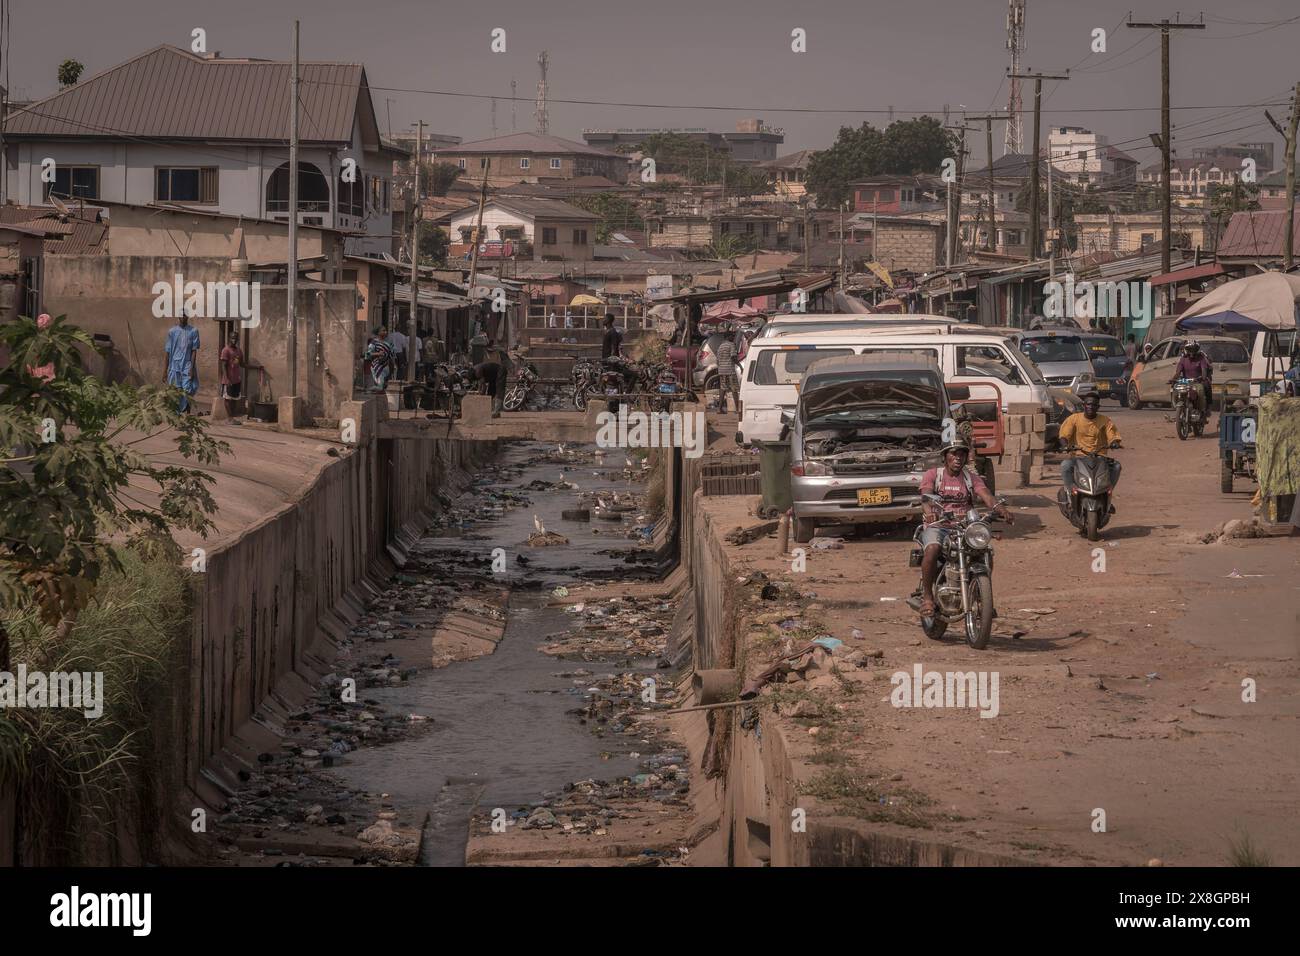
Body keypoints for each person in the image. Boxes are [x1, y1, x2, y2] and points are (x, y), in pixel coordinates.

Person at [916, 442, 1011, 617]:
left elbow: (986, 495)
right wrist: (930, 513)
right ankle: (928, 597)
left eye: (962, 454)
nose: (958, 458)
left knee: (985, 551)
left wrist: (1001, 509)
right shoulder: (933, 475)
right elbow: (926, 498)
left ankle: (983, 598)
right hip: (939, 525)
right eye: (953, 454)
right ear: (945, 457)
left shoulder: (970, 477)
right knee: (932, 549)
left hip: (965, 526)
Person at [1058, 391, 1123, 507]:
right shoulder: (1074, 419)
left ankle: (1108, 493)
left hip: (1100, 458)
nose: (1091, 407)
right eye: (1088, 404)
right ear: (1084, 405)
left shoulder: (1105, 420)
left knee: (1117, 466)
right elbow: (1064, 435)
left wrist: (1114, 443)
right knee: (1065, 465)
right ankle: (1070, 491)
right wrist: (1064, 445)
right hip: (1079, 457)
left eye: (1094, 405)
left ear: (1098, 407)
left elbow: (1113, 435)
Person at [164, 311, 201, 413]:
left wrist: (192, 368)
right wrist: (165, 371)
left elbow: (194, 350)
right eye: (181, 315)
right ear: (178, 317)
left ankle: (187, 413)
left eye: (185, 315)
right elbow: (167, 351)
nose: (183, 317)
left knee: (188, 390)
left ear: (187, 316)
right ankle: (176, 414)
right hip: (174, 365)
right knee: (176, 390)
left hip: (187, 365)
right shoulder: (172, 331)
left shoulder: (193, 331)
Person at [1170, 339, 1213, 412]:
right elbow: (1178, 373)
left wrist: (1202, 377)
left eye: (1194, 350)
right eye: (1190, 350)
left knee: (1202, 390)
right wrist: (1173, 379)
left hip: (1198, 382)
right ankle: (1175, 406)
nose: (1192, 352)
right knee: (1175, 388)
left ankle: (1203, 409)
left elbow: (1204, 371)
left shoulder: (1201, 358)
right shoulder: (1183, 359)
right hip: (1185, 382)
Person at [219, 331, 244, 421]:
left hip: (236, 379)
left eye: (236, 338)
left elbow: (242, 364)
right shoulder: (226, 350)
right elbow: (223, 366)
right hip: (228, 380)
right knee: (227, 398)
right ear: (229, 338)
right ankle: (229, 418)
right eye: (232, 338)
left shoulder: (238, 350)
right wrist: (227, 378)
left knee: (235, 398)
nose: (234, 340)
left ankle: (232, 416)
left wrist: (255, 367)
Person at [364, 327, 395, 392]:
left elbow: (391, 358)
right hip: (376, 367)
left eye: (386, 330)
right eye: (383, 331)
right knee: (380, 387)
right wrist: (378, 354)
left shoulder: (389, 344)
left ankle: (370, 390)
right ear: (378, 333)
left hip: (385, 367)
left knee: (382, 388)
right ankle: (367, 390)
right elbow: (367, 354)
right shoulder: (374, 342)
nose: (385, 332)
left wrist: (391, 371)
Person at [715, 330, 739, 413]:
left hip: (722, 371)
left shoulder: (720, 346)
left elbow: (717, 360)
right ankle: (738, 409)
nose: (733, 337)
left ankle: (719, 409)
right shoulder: (731, 345)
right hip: (730, 371)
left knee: (723, 389)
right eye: (732, 336)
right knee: (734, 389)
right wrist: (740, 366)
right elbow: (733, 357)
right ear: (728, 337)